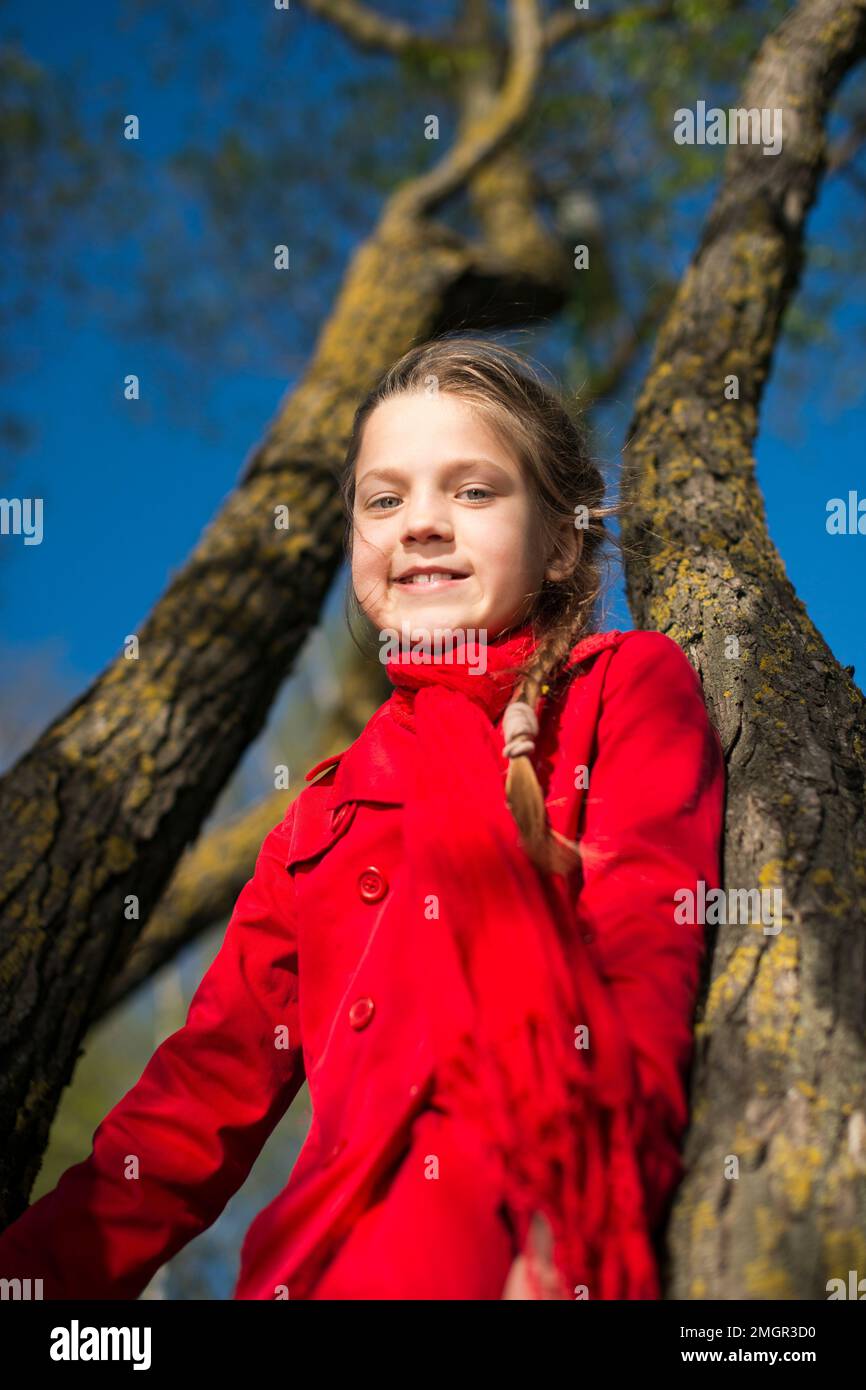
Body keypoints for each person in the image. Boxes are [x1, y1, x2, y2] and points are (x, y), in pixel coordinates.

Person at [0, 335, 726, 1301]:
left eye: (472, 492)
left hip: (526, 1227)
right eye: (384, 500)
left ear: (558, 544)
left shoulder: (622, 689)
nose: (420, 524)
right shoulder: (319, 817)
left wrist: (582, 1220)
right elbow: (192, 1109)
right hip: (327, 1262)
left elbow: (649, 946)